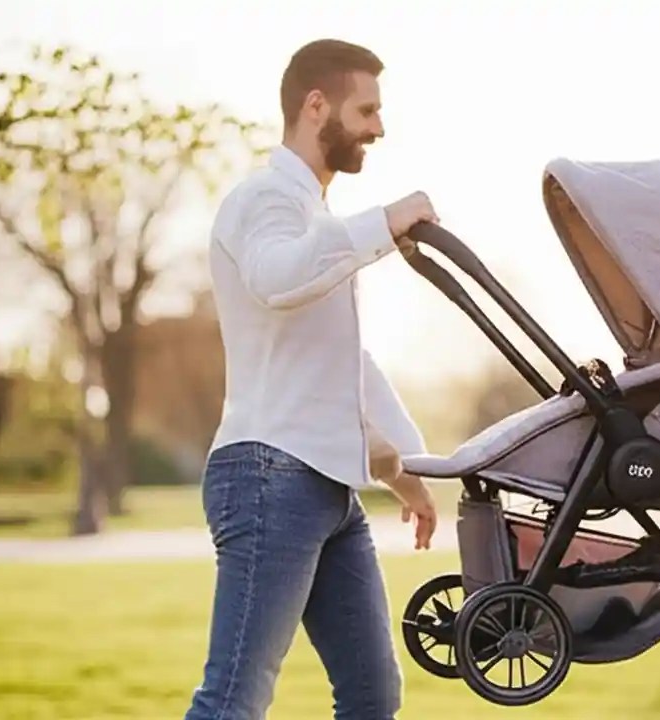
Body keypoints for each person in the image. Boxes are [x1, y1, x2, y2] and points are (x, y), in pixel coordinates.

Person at [183, 38, 440, 720]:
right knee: (234, 697)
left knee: (371, 695)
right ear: (315, 105)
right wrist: (384, 223)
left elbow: (345, 365)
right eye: (367, 109)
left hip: (324, 485)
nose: (379, 128)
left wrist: (407, 466)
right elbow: (275, 278)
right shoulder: (263, 199)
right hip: (269, 475)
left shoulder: (318, 223)